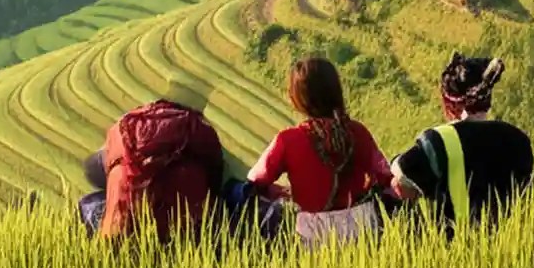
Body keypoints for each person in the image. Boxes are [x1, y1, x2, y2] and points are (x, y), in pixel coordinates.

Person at [248, 57, 394, 246]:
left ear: (297, 99)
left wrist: (279, 191)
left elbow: (254, 181)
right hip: (363, 231)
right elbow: (386, 177)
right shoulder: (358, 132)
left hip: (311, 235)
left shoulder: (288, 140)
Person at [389, 53, 533, 233]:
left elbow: (400, 184)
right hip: (514, 248)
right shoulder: (518, 138)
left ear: (449, 104)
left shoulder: (438, 141)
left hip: (454, 250)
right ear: (487, 101)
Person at [90, 75, 226, 241]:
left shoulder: (124, 124)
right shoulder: (200, 129)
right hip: (184, 236)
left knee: (89, 203)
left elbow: (94, 170)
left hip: (120, 231)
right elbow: (217, 182)